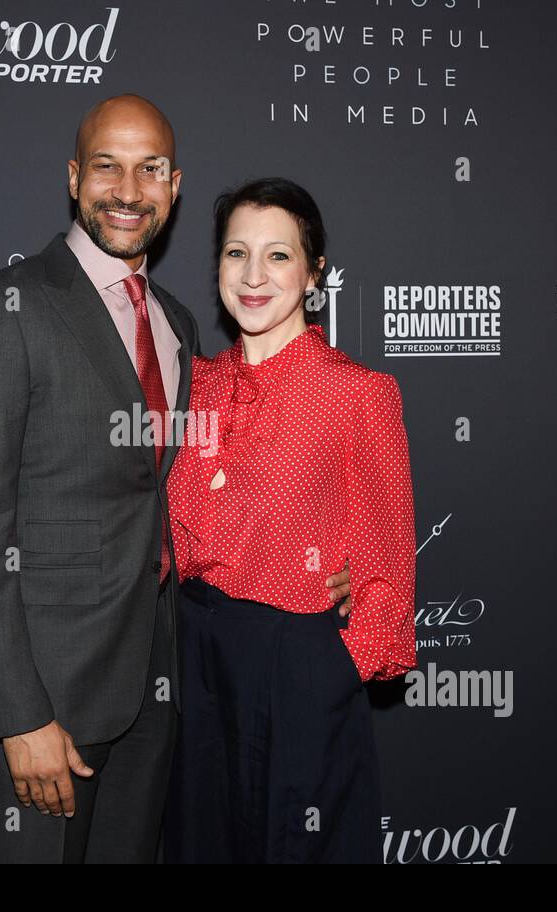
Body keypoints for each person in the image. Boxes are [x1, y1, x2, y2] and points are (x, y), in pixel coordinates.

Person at [0, 97, 355, 863]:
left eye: (150, 169)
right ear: (73, 178)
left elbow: (194, 497)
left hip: (157, 694)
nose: (129, 189)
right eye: (108, 166)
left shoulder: (180, 324)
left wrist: (325, 559)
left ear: (175, 185)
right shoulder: (5, 306)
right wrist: (17, 714)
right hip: (47, 698)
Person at [163, 177, 417, 863]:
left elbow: (386, 559)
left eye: (278, 256)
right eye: (235, 252)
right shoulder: (197, 384)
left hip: (297, 664)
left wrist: (332, 668)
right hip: (195, 659)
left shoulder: (358, 392)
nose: (252, 275)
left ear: (314, 272)